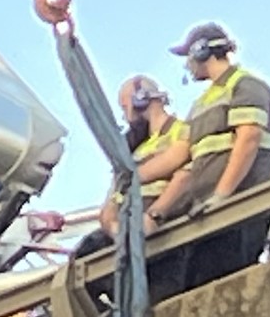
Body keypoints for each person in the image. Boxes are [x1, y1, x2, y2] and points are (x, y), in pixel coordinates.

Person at [144, 22, 270, 300]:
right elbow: (178, 154)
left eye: (188, 56)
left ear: (202, 50)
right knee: (198, 289)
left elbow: (249, 139)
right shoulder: (202, 103)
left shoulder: (245, 86)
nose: (187, 64)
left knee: (229, 288)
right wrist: (132, 176)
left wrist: (222, 195)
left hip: (239, 207)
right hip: (205, 212)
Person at [72, 75, 191, 261]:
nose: (126, 116)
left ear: (141, 99)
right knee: (87, 250)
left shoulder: (180, 130)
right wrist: (114, 228)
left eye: (125, 107)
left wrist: (129, 176)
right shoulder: (134, 150)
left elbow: (176, 158)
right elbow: (110, 203)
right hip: (127, 226)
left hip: (159, 222)